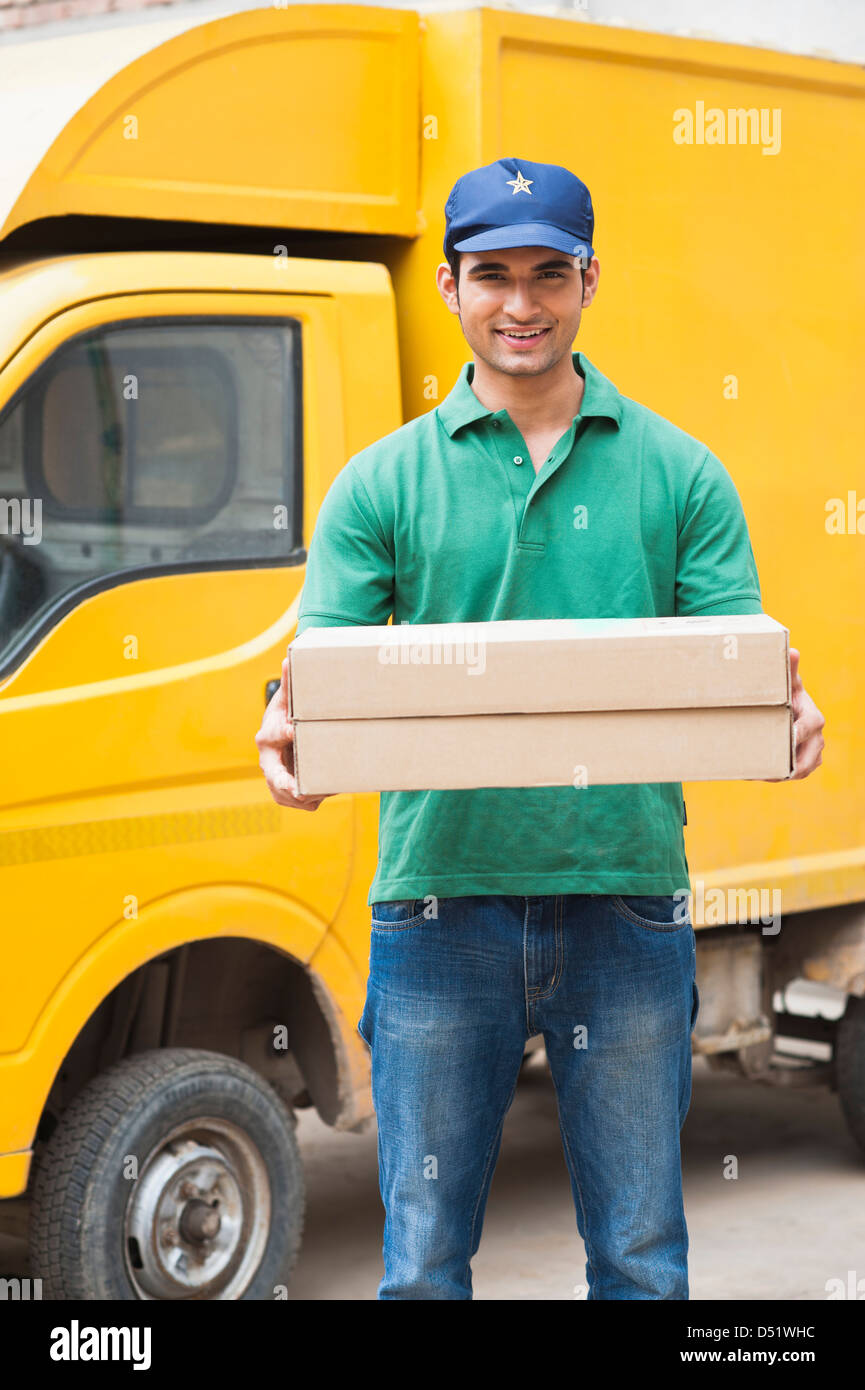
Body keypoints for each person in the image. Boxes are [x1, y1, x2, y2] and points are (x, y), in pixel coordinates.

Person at [255, 157, 825, 1300]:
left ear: (588, 279)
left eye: (547, 274)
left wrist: (781, 704)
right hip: (436, 901)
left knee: (638, 1257)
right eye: (493, 276)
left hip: (623, 896)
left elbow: (728, 662)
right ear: (455, 289)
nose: (521, 304)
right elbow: (320, 672)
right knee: (422, 1263)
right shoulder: (381, 483)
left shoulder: (681, 474)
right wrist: (286, 725)